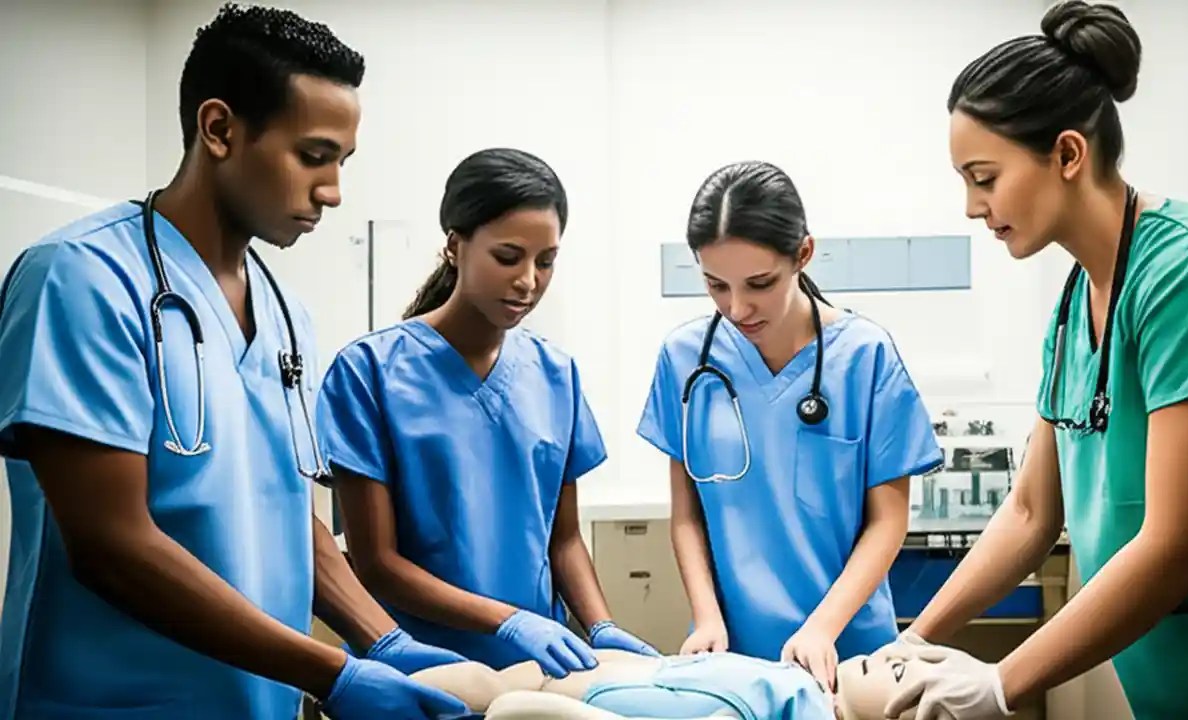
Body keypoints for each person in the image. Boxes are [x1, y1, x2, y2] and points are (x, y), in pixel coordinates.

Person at [0, 4, 470, 719]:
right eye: (313, 156)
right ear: (218, 128)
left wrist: (386, 641)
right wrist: (332, 672)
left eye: (341, 163)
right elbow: (109, 544)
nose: (333, 192)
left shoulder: (287, 315)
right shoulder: (81, 278)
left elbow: (283, 516)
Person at [873, 2, 1188, 719]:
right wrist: (911, 647)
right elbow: (1032, 512)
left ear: (1067, 154)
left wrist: (1000, 685)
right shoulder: (1074, 307)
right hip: (1176, 700)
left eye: (984, 176)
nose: (971, 206)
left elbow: (1180, 546)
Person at [316, 147, 659, 681]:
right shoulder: (369, 372)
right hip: (423, 674)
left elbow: (563, 539)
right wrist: (507, 622)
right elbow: (377, 562)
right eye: (508, 257)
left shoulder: (554, 374)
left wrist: (600, 627)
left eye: (545, 261)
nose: (528, 280)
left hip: (538, 675)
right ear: (455, 246)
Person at [636, 160, 944, 693]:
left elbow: (888, 522)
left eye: (759, 283)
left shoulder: (864, 356)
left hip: (845, 654)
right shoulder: (686, 359)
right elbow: (687, 515)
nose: (737, 307)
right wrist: (707, 617)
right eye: (715, 285)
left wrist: (822, 630)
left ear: (803, 254)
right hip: (732, 654)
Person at [404, 648, 928, 720]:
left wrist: (559, 716)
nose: (881, 656)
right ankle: (362, 687)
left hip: (589, 698)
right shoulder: (809, 686)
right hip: (639, 669)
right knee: (486, 678)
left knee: (487, 689)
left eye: (897, 672)